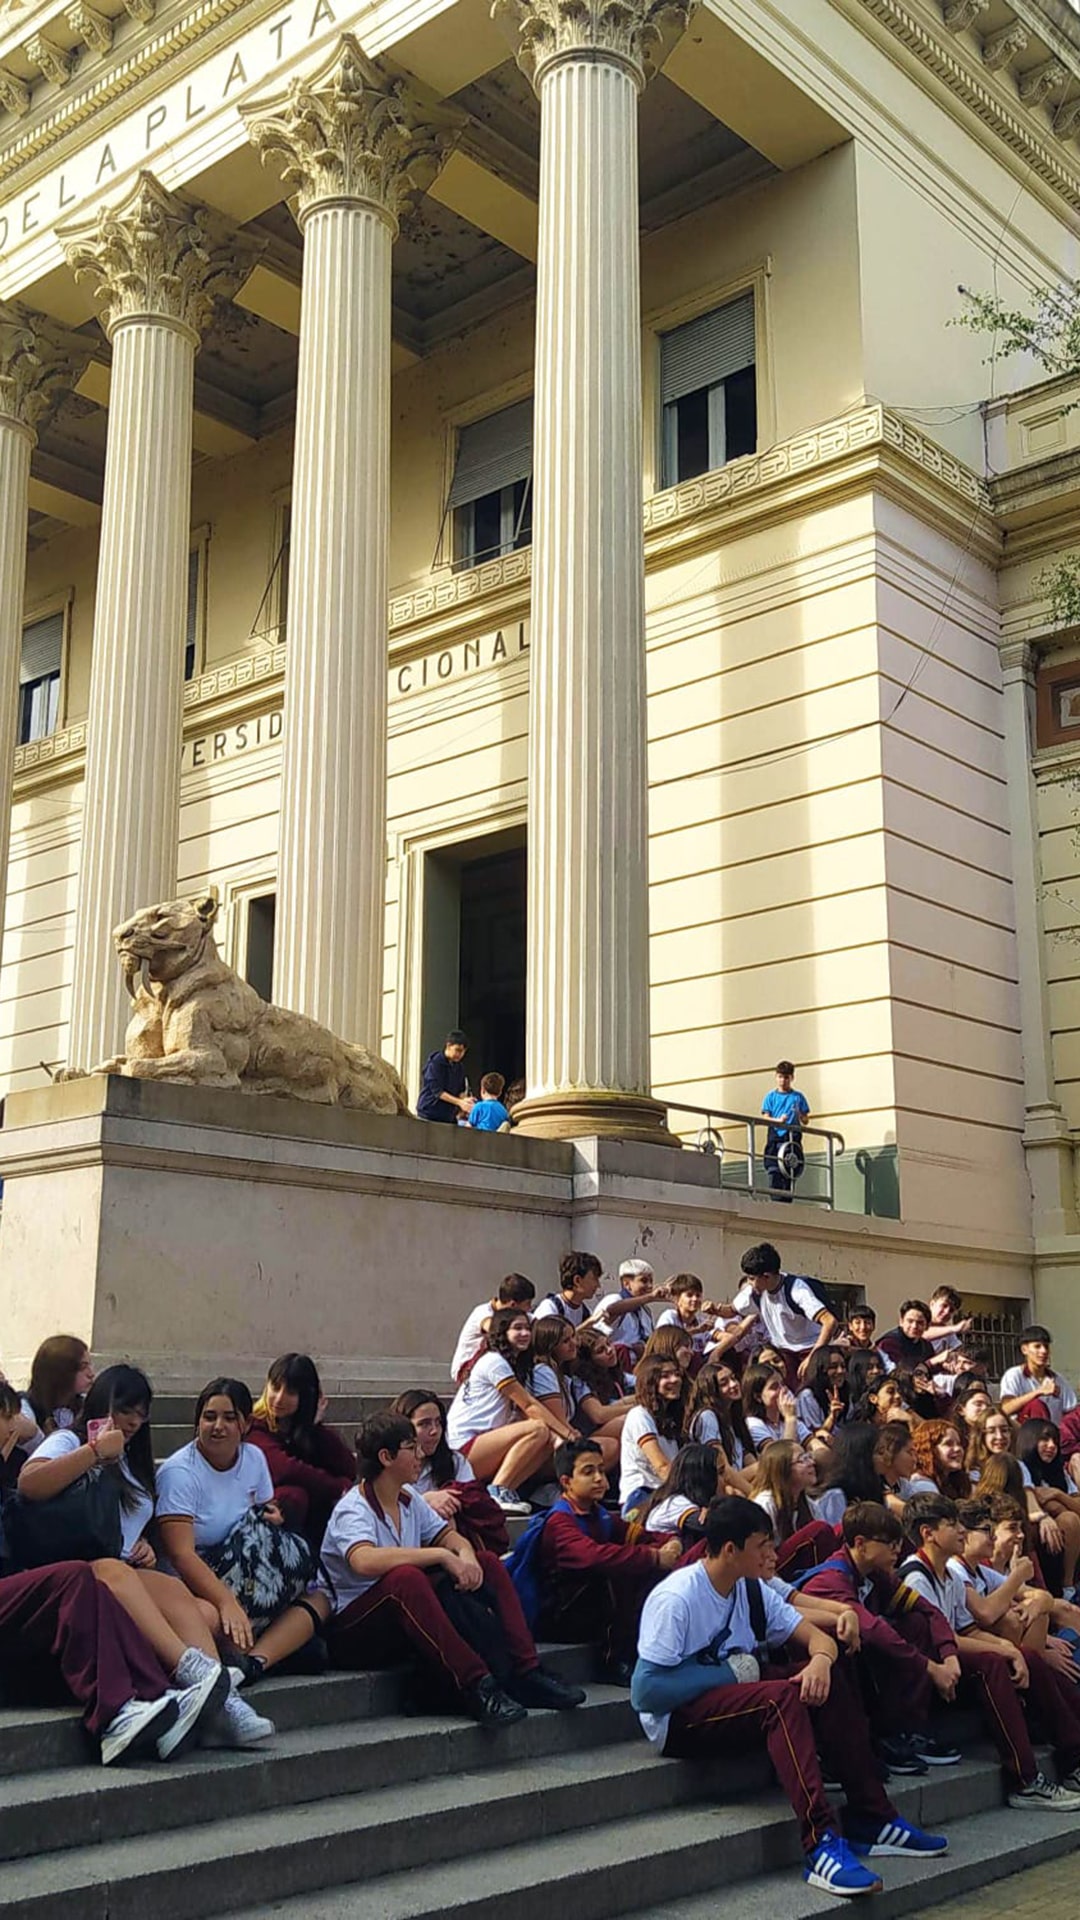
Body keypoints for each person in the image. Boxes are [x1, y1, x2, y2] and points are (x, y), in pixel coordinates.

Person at [633, 1494, 948, 1894]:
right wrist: (729, 1672)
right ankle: (820, 1843)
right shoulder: (677, 1597)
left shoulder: (750, 1588)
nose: (772, 1552)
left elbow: (816, 1637)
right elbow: (646, 1692)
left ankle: (872, 1814)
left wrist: (820, 1661)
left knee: (819, 1677)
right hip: (679, 1720)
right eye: (762, 1545)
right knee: (780, 1697)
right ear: (731, 1550)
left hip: (736, 1696)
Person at [14, 1367, 271, 1749]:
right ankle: (194, 1670)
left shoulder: (134, 1462)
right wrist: (94, 1451)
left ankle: (223, 1699)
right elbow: (29, 1483)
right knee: (119, 1573)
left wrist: (147, 1543)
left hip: (123, 1567)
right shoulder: (69, 1440)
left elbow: (131, 1521)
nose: (133, 1421)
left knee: (178, 1594)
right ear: (103, 1404)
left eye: (140, 1413)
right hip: (74, 1570)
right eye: (125, 1410)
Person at [317, 1412, 585, 1722]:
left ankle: (527, 1669)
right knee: (405, 1578)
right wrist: (441, 1556)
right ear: (386, 1457)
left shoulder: (409, 1500)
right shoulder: (353, 1508)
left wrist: (466, 1557)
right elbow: (364, 1561)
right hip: (356, 1632)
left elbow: (451, 1537)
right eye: (411, 1448)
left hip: (403, 1622)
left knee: (487, 1562)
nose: (421, 1455)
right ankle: (476, 1684)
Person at [900, 1490, 1080, 1809]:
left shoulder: (947, 1574)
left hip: (954, 1661)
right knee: (992, 1663)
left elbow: (966, 1628)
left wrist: (1009, 1648)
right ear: (928, 1533)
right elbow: (942, 1638)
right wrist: (1005, 1651)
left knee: (1029, 1657)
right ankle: (1024, 1780)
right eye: (952, 1524)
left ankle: (1073, 1758)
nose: (960, 1531)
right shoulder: (917, 1576)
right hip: (932, 1675)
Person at [157, 1377, 328, 1691]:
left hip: (251, 1575)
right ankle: (275, 1647)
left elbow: (262, 1518)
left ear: (246, 1424)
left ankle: (254, 1662)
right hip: (199, 1583)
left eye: (229, 1417)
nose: (218, 1426)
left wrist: (275, 1514)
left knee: (319, 1599)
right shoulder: (178, 1473)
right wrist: (227, 1603)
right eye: (209, 1417)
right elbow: (181, 1555)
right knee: (205, 1617)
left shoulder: (254, 1458)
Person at [800, 1500, 963, 1773]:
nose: (897, 1551)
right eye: (889, 1544)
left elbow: (928, 1610)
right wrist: (931, 1668)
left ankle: (906, 1731)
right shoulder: (831, 1579)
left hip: (865, 1659)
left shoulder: (876, 1574)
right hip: (822, 1665)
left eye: (899, 1543)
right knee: (859, 1642)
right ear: (861, 1543)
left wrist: (949, 1655)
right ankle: (852, 1746)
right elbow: (874, 1631)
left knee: (917, 1623)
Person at [535, 1437, 681, 1683]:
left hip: (590, 1606)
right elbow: (592, 1556)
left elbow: (639, 1535)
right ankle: (613, 1661)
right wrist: (655, 1556)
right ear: (566, 1482)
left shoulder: (598, 1515)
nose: (599, 1478)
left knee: (639, 1563)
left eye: (602, 1470)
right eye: (588, 1472)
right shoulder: (560, 1521)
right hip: (560, 1614)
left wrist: (671, 1541)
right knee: (618, 1568)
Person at [445, 1307, 576, 1513]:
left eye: (527, 1328)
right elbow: (530, 1406)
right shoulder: (493, 1361)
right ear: (502, 1332)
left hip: (485, 1443)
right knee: (538, 1429)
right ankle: (498, 1490)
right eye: (517, 1328)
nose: (525, 1333)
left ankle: (512, 1490)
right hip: (461, 1450)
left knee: (548, 1437)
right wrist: (569, 1434)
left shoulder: (514, 1365)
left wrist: (561, 1440)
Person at [248, 1354, 355, 1554]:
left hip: (304, 1526)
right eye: (275, 1387)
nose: (279, 1398)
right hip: (261, 1517)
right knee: (297, 1494)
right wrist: (338, 1488)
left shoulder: (302, 1431)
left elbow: (348, 1467)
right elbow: (285, 1469)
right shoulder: (255, 1426)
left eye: (290, 1392)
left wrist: (315, 1428)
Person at [388, 1387, 507, 1554]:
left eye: (438, 1422)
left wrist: (449, 1499)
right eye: (424, 1424)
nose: (434, 1431)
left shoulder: (455, 1461)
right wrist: (425, 1501)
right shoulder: (389, 1464)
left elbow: (473, 1498)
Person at [731, 1244, 837, 1386]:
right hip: (784, 1353)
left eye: (751, 1278)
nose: (749, 1283)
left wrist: (813, 1357)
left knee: (811, 1392)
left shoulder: (797, 1290)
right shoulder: (756, 1292)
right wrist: (715, 1308)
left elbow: (830, 1322)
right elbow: (732, 1309)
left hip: (810, 1348)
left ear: (766, 1277)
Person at [748, 1441, 838, 1575]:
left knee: (842, 1531)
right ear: (782, 1470)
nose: (812, 1463)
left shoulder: (807, 1503)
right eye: (802, 1459)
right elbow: (757, 1554)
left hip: (800, 1568)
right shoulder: (765, 1504)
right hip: (772, 1570)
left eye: (809, 1456)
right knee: (819, 1530)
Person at [619, 1355, 689, 1517]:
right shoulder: (639, 1415)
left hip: (666, 1494)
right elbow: (662, 1466)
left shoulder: (670, 1419)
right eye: (665, 1376)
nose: (675, 1379)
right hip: (642, 1497)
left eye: (677, 1374)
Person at [449, 1272, 536, 1384]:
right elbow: (495, 1330)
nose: (529, 1309)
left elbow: (541, 1326)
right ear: (513, 1305)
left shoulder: (520, 1315)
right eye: (528, 1304)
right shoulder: (483, 1312)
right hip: (467, 1371)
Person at [686, 1362, 757, 1490]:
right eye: (724, 1383)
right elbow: (724, 1470)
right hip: (717, 1487)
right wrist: (754, 1496)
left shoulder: (734, 1418)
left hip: (737, 1480)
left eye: (734, 1378)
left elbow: (749, 1459)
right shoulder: (707, 1416)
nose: (734, 1384)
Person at [19, 1335, 94, 1454]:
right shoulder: (25, 1409)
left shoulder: (86, 1406)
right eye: (82, 1367)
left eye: (90, 1365)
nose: (91, 1373)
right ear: (59, 1371)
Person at [642, 1443, 725, 1539]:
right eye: (720, 1473)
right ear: (704, 1478)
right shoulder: (675, 1503)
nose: (726, 1478)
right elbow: (713, 1526)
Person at [999, 1326, 1078, 1428]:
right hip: (1024, 1436)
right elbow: (1006, 1409)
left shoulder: (1058, 1380)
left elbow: (1072, 1412)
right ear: (1024, 1349)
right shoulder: (1014, 1375)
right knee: (1035, 1405)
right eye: (1037, 1346)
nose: (1043, 1351)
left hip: (1054, 1437)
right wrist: (1038, 1392)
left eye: (1046, 1346)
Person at [572, 1327, 634, 1440]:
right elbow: (599, 1415)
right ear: (589, 1360)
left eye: (609, 1343)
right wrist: (636, 1406)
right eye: (600, 1351)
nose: (610, 1350)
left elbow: (639, 1383)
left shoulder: (612, 1372)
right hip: (588, 1434)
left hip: (606, 1428)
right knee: (630, 1420)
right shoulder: (580, 1382)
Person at [760, 1059, 810, 1200]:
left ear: (792, 1078)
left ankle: (787, 1199)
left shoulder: (798, 1097)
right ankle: (775, 1200)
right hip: (775, 1135)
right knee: (774, 1170)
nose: (783, 1080)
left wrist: (800, 1115)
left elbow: (806, 1120)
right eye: (780, 1077)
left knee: (789, 1170)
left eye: (786, 1077)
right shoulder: (770, 1097)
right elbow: (765, 1117)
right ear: (776, 1077)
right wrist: (778, 1121)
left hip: (792, 1136)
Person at [592, 1259, 660, 1359]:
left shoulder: (645, 1311)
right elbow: (597, 1337)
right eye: (644, 1281)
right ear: (626, 1284)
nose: (650, 1286)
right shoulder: (614, 1300)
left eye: (651, 1281)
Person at [795, 1346, 852, 1450]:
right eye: (833, 1366)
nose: (840, 1371)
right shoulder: (807, 1395)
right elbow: (815, 1435)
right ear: (820, 1369)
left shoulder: (846, 1391)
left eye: (843, 1366)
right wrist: (832, 1417)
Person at [416, 1029, 472, 1125]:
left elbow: (461, 1090)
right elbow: (437, 1092)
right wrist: (460, 1102)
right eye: (457, 1050)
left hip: (448, 1115)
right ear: (448, 1045)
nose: (460, 1055)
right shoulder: (435, 1063)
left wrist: (466, 1101)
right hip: (429, 1113)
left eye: (463, 1052)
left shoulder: (459, 1067)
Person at [534, 1250, 602, 1328]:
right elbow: (551, 1339)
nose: (598, 1285)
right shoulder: (550, 1308)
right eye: (594, 1279)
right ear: (577, 1280)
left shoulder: (585, 1312)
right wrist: (587, 1324)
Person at [907, 1420, 972, 1500]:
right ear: (930, 1450)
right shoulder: (922, 1486)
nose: (958, 1449)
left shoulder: (954, 1482)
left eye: (959, 1444)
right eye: (948, 1444)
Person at [742, 1362, 800, 1450]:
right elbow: (782, 1459)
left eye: (782, 1384)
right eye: (774, 1387)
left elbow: (818, 1449)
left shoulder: (785, 1420)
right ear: (758, 1397)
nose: (783, 1390)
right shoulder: (753, 1424)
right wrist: (790, 1419)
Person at [654, 1275, 713, 1354]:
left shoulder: (702, 1321)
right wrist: (696, 1331)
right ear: (677, 1299)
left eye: (698, 1295)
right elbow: (666, 1342)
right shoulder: (669, 1316)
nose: (695, 1299)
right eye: (689, 1295)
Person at [878, 1302, 937, 1372]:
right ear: (901, 1322)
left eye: (920, 1323)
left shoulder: (926, 1346)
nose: (914, 1326)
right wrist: (932, 1362)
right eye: (910, 1321)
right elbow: (903, 1371)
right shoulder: (888, 1343)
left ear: (927, 1326)